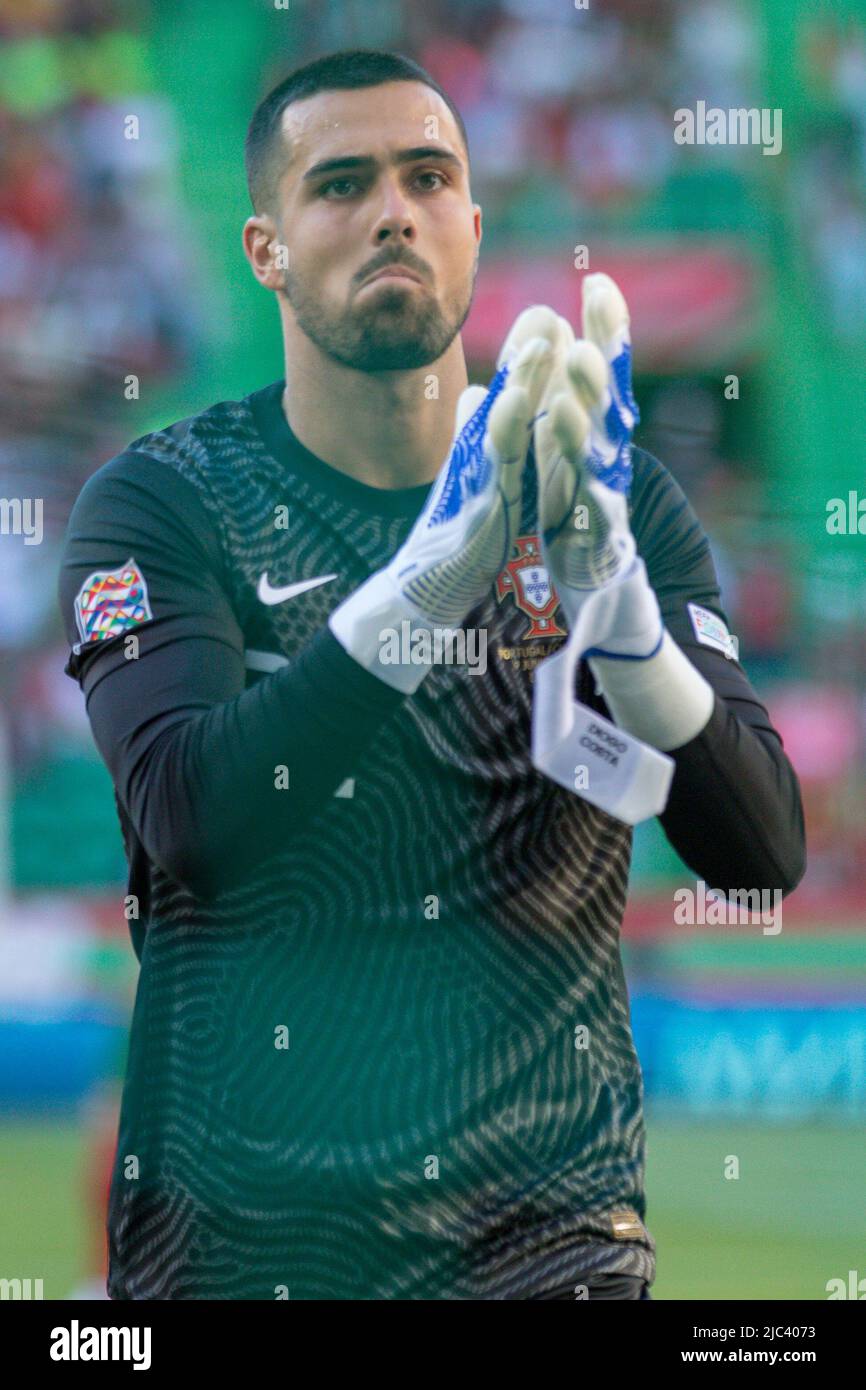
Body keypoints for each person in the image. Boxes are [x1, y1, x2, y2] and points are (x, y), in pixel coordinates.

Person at [58, 49, 805, 1301]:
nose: (390, 209)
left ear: (472, 222)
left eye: (426, 176)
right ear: (265, 249)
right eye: (339, 184)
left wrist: (627, 636)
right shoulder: (167, 500)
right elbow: (189, 817)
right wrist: (427, 585)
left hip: (547, 1242)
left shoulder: (606, 499)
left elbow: (759, 846)